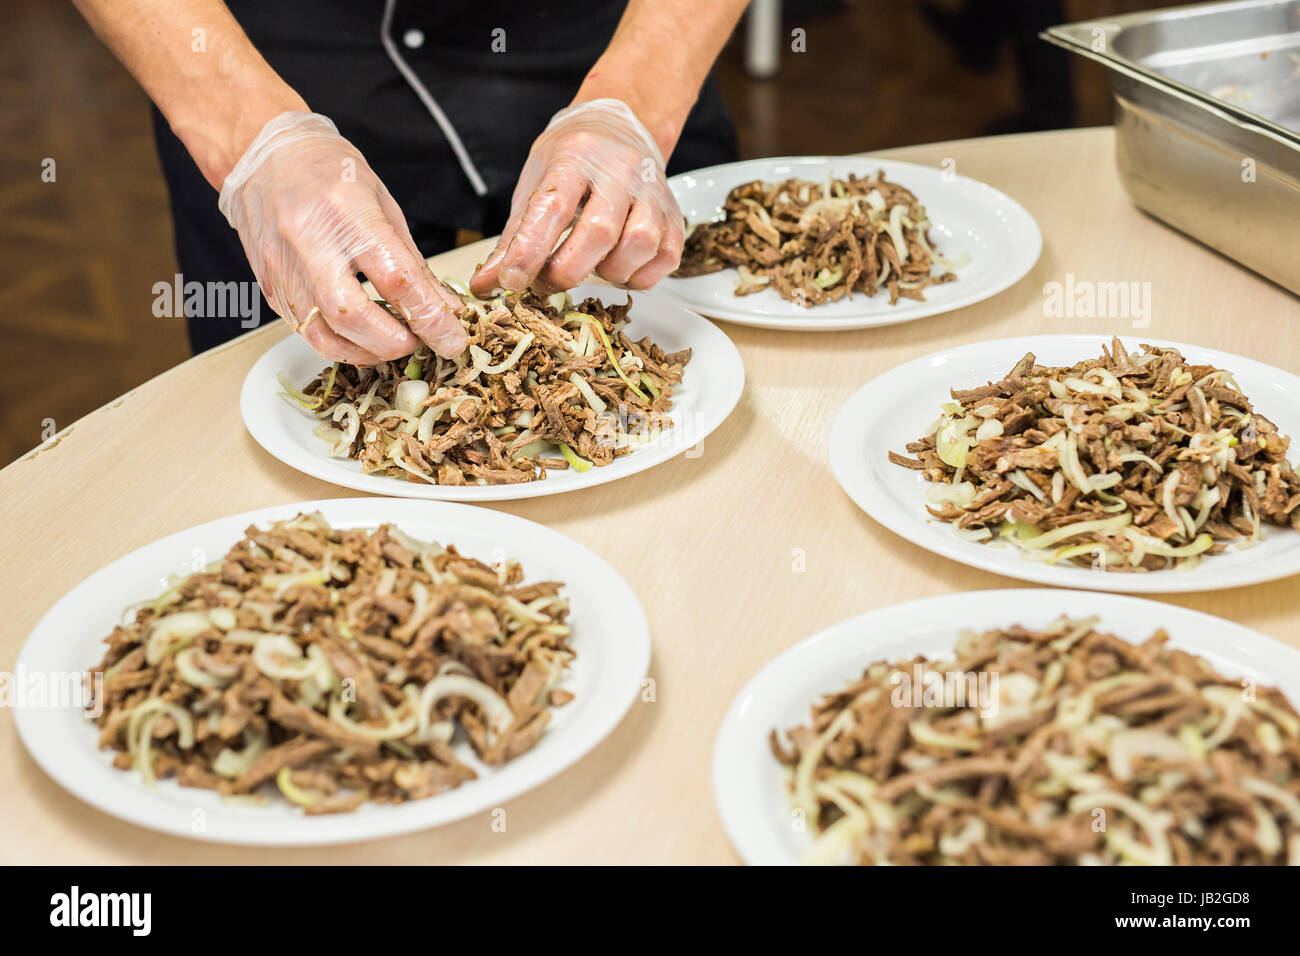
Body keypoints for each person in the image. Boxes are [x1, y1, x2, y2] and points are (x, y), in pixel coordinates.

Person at [72, 1, 748, 363]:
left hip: (607, 31)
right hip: (260, 54)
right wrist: (254, 141)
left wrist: (636, 99)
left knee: (679, 380)